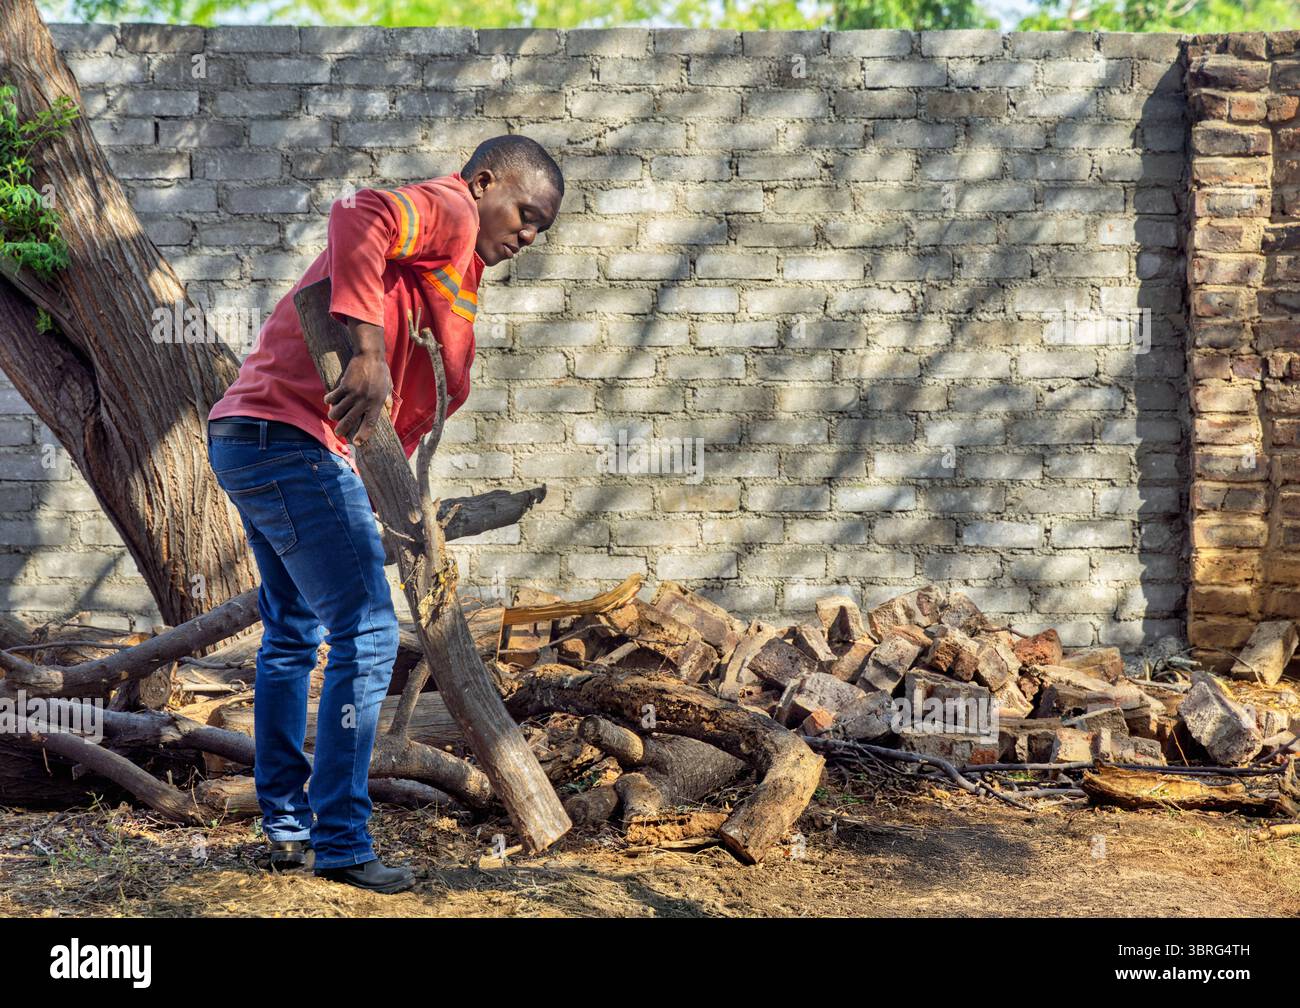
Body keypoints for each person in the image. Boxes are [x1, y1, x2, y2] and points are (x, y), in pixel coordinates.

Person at [205, 135, 563, 893]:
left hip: (251, 436)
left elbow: (417, 392)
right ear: (484, 181)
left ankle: (289, 829)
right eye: (525, 213)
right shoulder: (451, 210)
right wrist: (365, 351)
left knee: (294, 632)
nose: (527, 236)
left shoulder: (453, 274)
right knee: (367, 631)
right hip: (291, 439)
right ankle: (339, 840)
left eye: (541, 230)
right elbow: (357, 215)